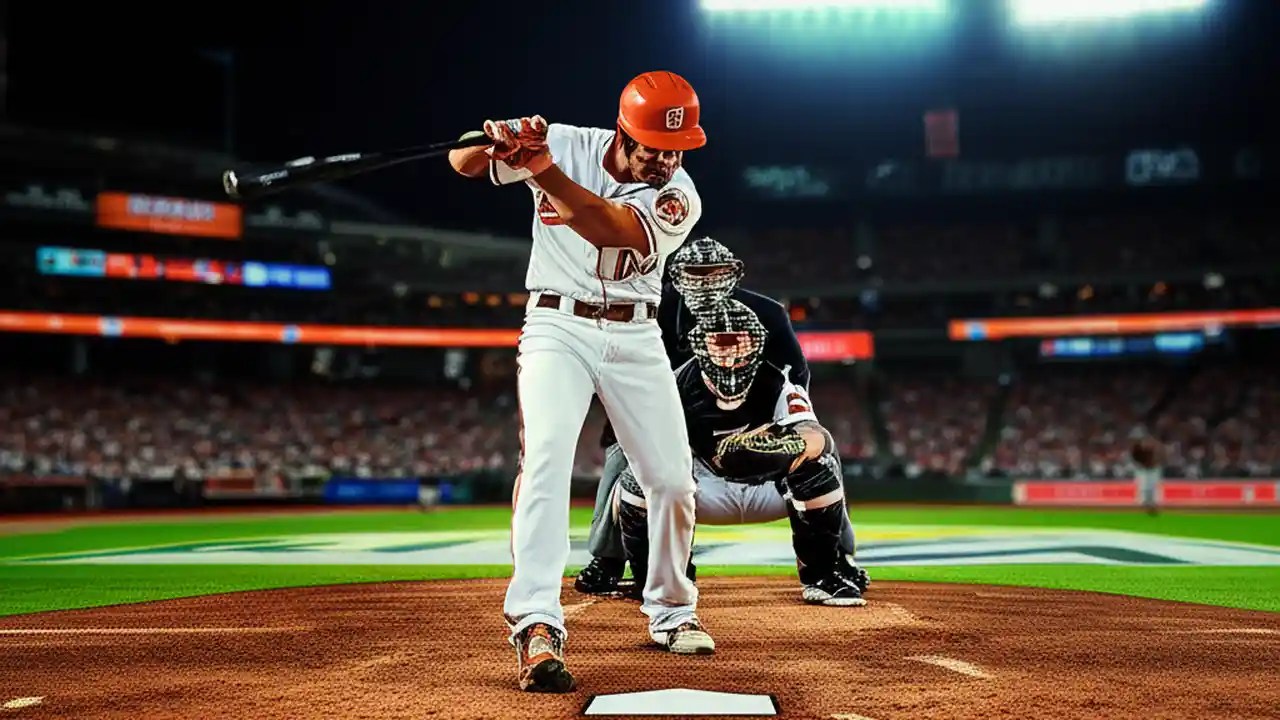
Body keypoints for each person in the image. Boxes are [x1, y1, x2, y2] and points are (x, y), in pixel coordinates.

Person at [447, 71, 715, 693]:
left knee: (672, 479)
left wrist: (539, 169)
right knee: (545, 461)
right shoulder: (563, 142)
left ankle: (672, 609)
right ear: (623, 131)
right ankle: (536, 623)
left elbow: (607, 226)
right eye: (653, 145)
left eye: (676, 148)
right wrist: (495, 139)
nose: (665, 158)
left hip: (635, 332)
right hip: (555, 324)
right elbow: (461, 164)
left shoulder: (679, 194)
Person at [574, 238, 860, 596]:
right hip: (670, 403)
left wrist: (782, 428)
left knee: (819, 459)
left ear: (733, 275)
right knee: (626, 456)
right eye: (696, 273)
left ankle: (837, 558)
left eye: (715, 274)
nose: (705, 282)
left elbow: (795, 371)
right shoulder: (653, 306)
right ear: (678, 277)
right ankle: (609, 559)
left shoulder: (767, 313)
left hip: (754, 409)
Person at [612, 298, 868, 607]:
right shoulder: (670, 386)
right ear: (701, 342)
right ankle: (661, 580)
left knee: (820, 467)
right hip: (698, 491)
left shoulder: (777, 380)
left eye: (739, 340)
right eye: (721, 340)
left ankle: (822, 576)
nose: (731, 351)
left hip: (769, 487)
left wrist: (788, 446)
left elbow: (815, 435)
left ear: (756, 342)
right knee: (638, 477)